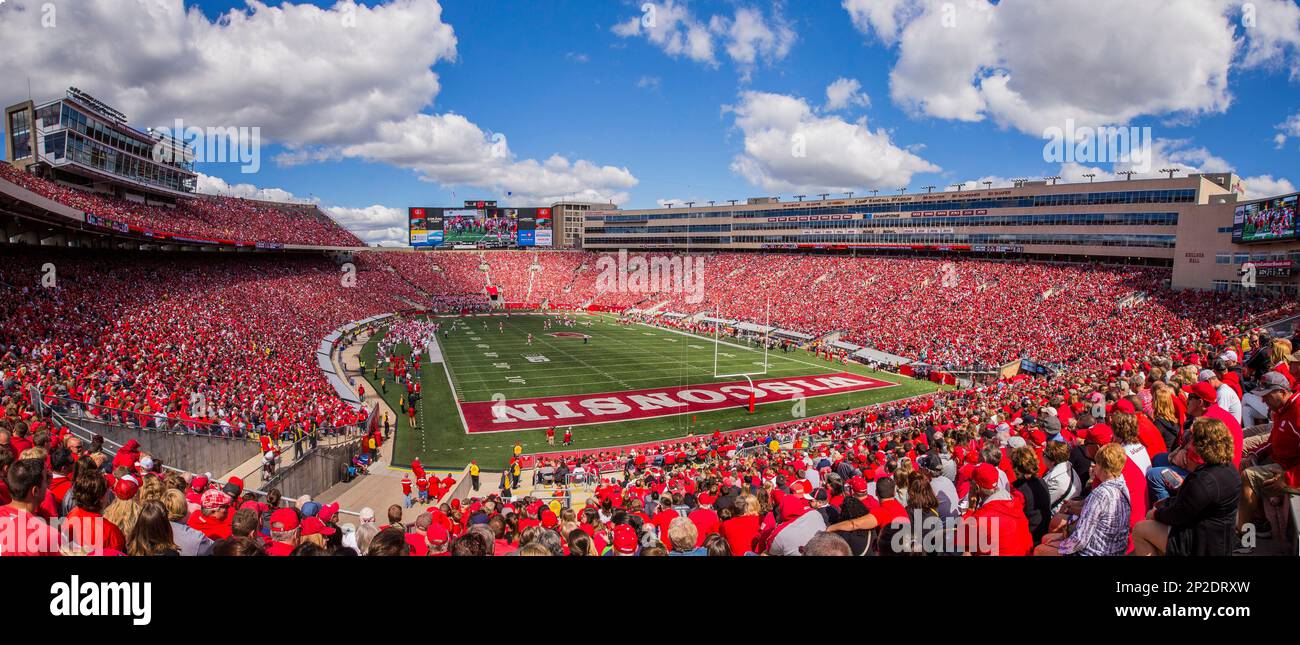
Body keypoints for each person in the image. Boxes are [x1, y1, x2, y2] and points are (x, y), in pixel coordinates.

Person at [1133, 417, 1241, 556]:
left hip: (1201, 545)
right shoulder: (1229, 469)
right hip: (1221, 540)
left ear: (1202, 446)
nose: (1189, 445)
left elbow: (1178, 515)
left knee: (1140, 529)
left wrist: (1155, 513)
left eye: (1192, 440)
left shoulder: (1203, 480)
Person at [1236, 372, 1299, 549]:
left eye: (1267, 396)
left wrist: (1289, 478)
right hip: (1282, 463)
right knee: (1245, 463)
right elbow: (1273, 441)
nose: (1263, 401)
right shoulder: (1281, 409)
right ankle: (1260, 521)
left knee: (1249, 476)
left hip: (1290, 468)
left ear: (1281, 391)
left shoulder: (1297, 410)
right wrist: (1255, 454)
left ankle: (1243, 535)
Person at [1035, 444, 1130, 556]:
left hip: (1097, 551)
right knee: (1048, 539)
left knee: (1040, 550)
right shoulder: (1122, 485)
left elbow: (1080, 540)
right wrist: (1062, 536)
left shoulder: (1100, 494)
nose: (1094, 466)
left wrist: (1060, 546)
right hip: (1115, 548)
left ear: (1102, 467)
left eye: (1097, 463)